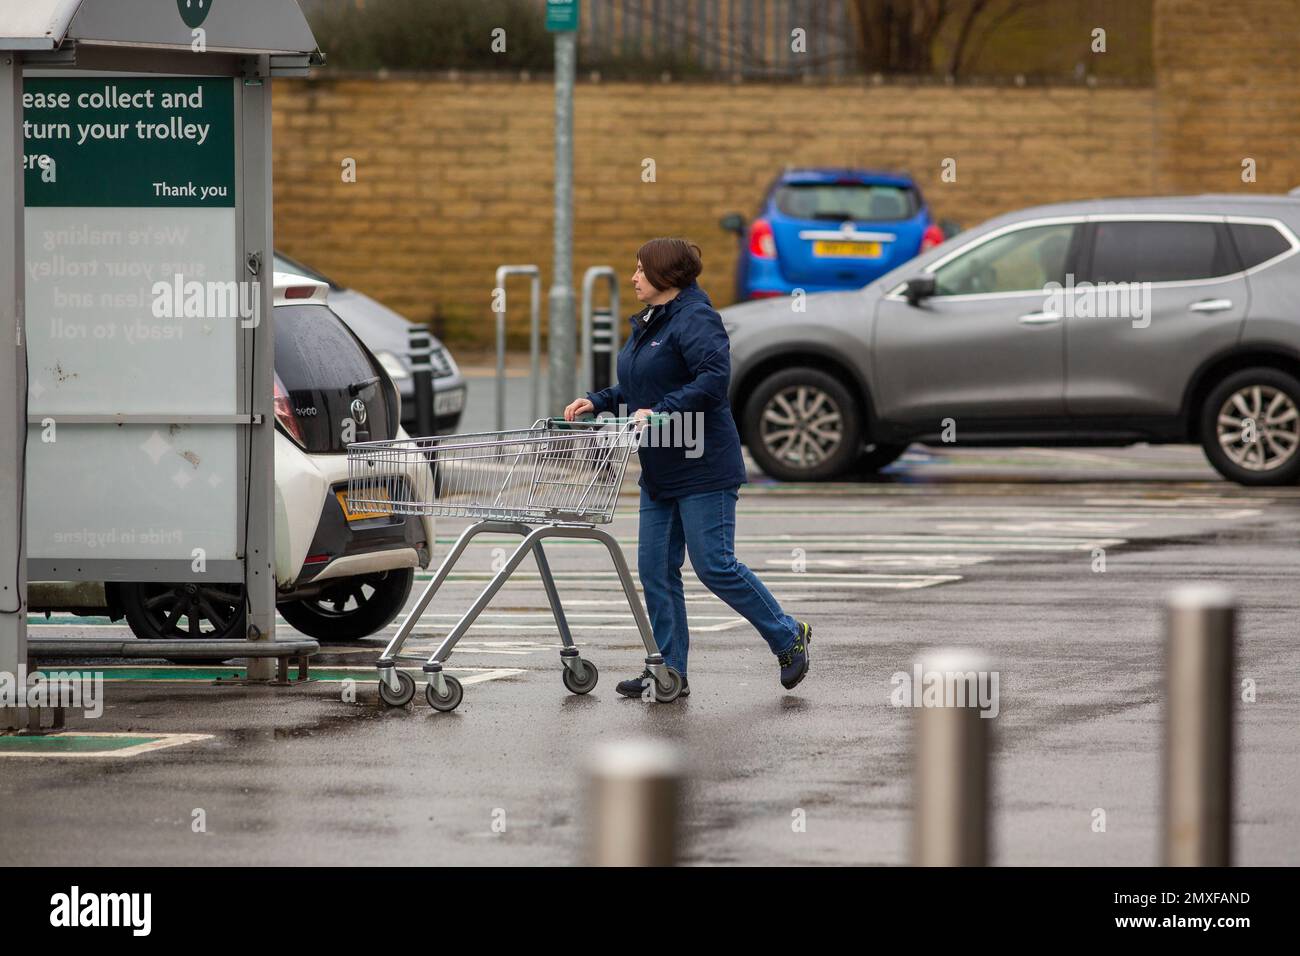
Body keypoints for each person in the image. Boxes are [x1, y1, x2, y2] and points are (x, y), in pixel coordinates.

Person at [564, 237, 812, 699]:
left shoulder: (696, 317)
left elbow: (713, 380)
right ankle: (667, 669)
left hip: (703, 465)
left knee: (713, 564)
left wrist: (661, 411)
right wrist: (600, 400)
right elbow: (642, 381)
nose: (634, 277)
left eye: (641, 269)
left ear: (665, 276)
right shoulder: (652, 321)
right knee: (655, 568)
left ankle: (786, 634)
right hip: (660, 465)